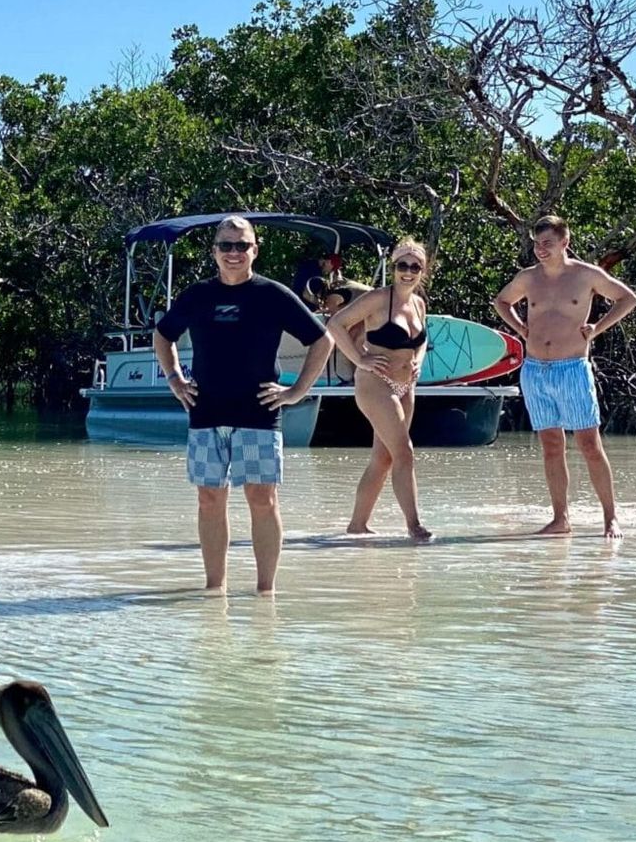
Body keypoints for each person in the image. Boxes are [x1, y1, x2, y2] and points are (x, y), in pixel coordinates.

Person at [153, 215, 335, 593]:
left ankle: (265, 591)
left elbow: (322, 341)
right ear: (214, 251)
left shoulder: (272, 294)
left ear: (255, 250)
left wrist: (296, 392)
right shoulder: (197, 295)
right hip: (206, 411)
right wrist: (175, 380)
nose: (233, 253)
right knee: (209, 498)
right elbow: (163, 334)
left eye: (241, 245)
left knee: (262, 498)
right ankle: (214, 589)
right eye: (226, 245)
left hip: (258, 412)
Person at [492, 215, 636, 538]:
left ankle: (610, 518)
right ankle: (561, 518)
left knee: (589, 444)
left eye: (547, 243)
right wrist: (520, 327)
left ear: (564, 243)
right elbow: (501, 301)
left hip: (571, 368)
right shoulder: (528, 278)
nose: (540, 249)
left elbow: (628, 299)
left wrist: (596, 328)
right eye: (536, 243)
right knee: (550, 446)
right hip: (534, 370)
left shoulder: (585, 275)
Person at [328, 239, 435, 541]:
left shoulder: (418, 303)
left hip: (406, 385)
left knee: (384, 458)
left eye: (415, 266)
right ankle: (414, 526)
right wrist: (360, 358)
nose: (408, 272)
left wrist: (418, 361)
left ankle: (357, 525)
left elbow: (423, 339)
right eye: (403, 265)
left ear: (422, 271)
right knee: (405, 452)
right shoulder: (377, 299)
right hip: (375, 383)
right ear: (393, 268)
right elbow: (336, 324)